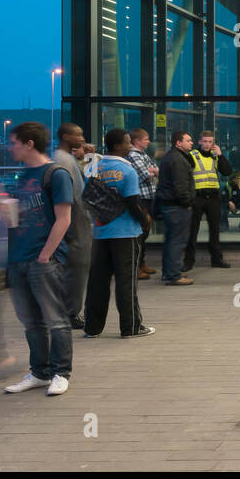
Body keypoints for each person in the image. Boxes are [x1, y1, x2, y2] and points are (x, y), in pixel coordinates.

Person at [3, 122, 75, 397]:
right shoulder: (24, 176)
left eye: (14, 142)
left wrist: (45, 255)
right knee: (31, 321)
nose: (10, 147)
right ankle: (40, 371)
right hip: (19, 256)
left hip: (43, 259)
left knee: (54, 319)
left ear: (29, 143)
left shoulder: (56, 174)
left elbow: (64, 218)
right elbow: (19, 218)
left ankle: (61, 372)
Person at [84, 129, 155, 339]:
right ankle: (131, 326)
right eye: (126, 143)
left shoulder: (94, 167)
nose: (129, 146)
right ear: (117, 146)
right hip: (125, 232)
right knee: (126, 282)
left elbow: (87, 197)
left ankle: (92, 327)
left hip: (100, 232)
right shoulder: (127, 170)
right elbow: (133, 202)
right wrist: (145, 221)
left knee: (97, 282)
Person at [51, 122, 93, 330]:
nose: (82, 138)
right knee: (77, 267)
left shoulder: (68, 159)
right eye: (79, 134)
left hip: (78, 219)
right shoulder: (62, 160)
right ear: (66, 136)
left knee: (76, 268)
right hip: (75, 220)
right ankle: (70, 312)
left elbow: (88, 182)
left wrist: (89, 158)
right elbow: (78, 193)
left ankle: (68, 310)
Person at [186, 131, 232, 269]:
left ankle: (216, 260)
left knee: (215, 230)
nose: (207, 144)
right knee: (192, 231)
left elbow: (227, 171)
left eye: (210, 142)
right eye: (204, 141)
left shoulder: (215, 156)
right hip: (197, 197)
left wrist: (220, 155)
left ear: (213, 143)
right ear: (200, 142)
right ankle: (188, 261)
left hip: (213, 197)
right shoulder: (192, 155)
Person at [155, 130, 196, 286]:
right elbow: (180, 186)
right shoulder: (177, 160)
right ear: (178, 143)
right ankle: (173, 275)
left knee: (172, 241)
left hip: (171, 205)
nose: (191, 143)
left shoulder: (174, 157)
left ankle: (171, 271)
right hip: (177, 206)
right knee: (176, 242)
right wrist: (187, 203)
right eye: (188, 140)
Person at [126, 128, 159, 280]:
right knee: (140, 233)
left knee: (145, 231)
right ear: (137, 141)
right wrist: (152, 172)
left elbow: (156, 170)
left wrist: (152, 171)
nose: (148, 141)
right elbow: (146, 175)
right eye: (146, 139)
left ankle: (142, 263)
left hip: (148, 197)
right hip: (141, 198)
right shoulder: (133, 155)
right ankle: (135, 267)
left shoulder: (143, 154)